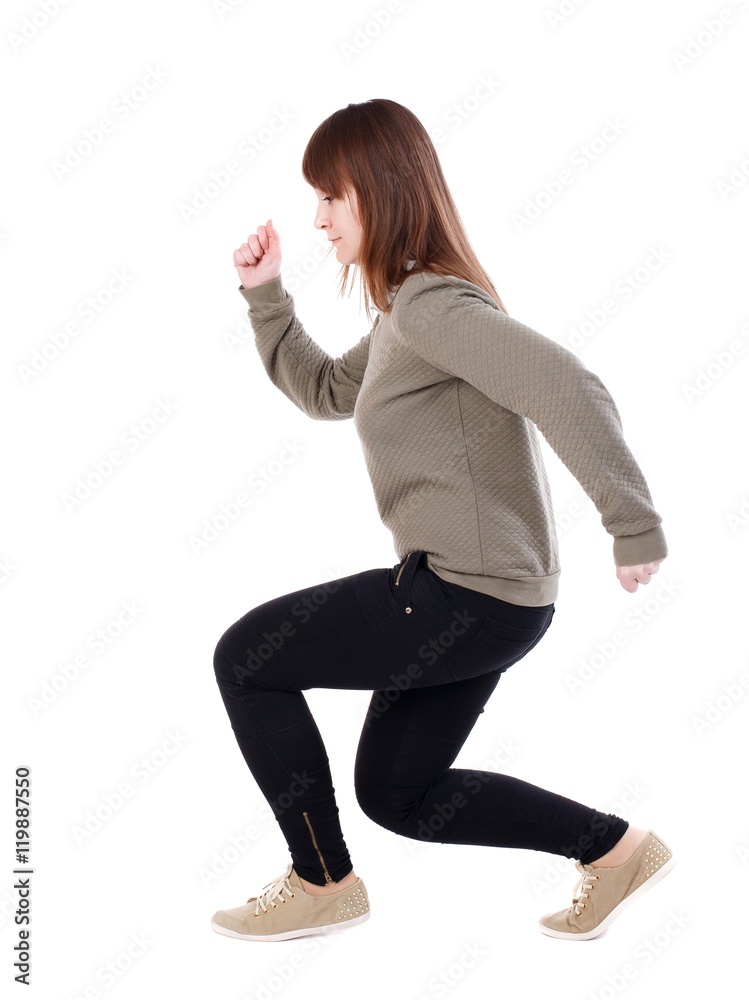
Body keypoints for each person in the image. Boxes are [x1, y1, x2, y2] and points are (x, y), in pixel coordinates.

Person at [210, 98, 674, 943]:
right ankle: (614, 852)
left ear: (381, 192)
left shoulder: (430, 307)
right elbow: (326, 392)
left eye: (331, 196)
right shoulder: (404, 314)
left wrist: (629, 522)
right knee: (399, 795)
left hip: (465, 597)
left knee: (247, 658)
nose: (317, 219)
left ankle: (321, 881)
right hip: (493, 602)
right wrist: (264, 296)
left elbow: (566, 386)